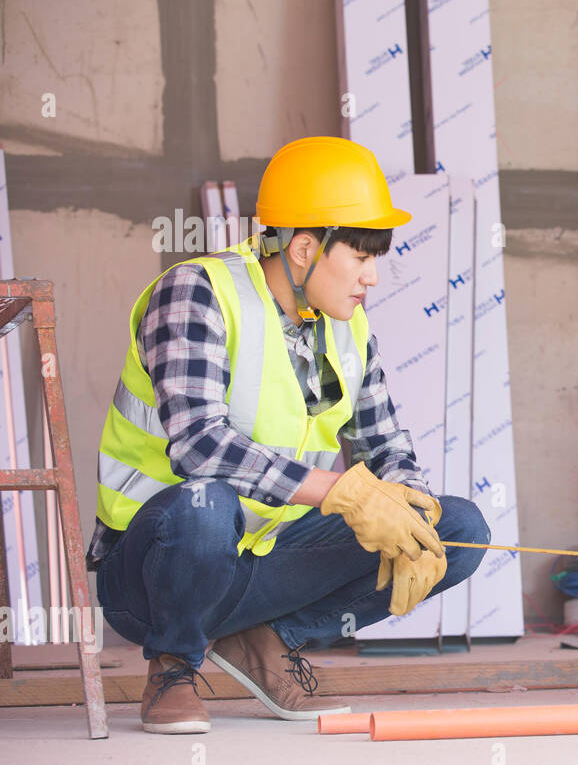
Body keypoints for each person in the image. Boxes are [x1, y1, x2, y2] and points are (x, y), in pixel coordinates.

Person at [91, 136, 491, 734]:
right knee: (207, 502)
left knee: (455, 530)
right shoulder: (198, 293)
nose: (373, 278)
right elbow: (199, 444)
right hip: (153, 569)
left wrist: (405, 503)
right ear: (305, 248)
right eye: (361, 257)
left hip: (259, 558)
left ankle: (268, 639)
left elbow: (388, 447)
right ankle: (173, 664)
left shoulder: (347, 327)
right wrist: (343, 493)